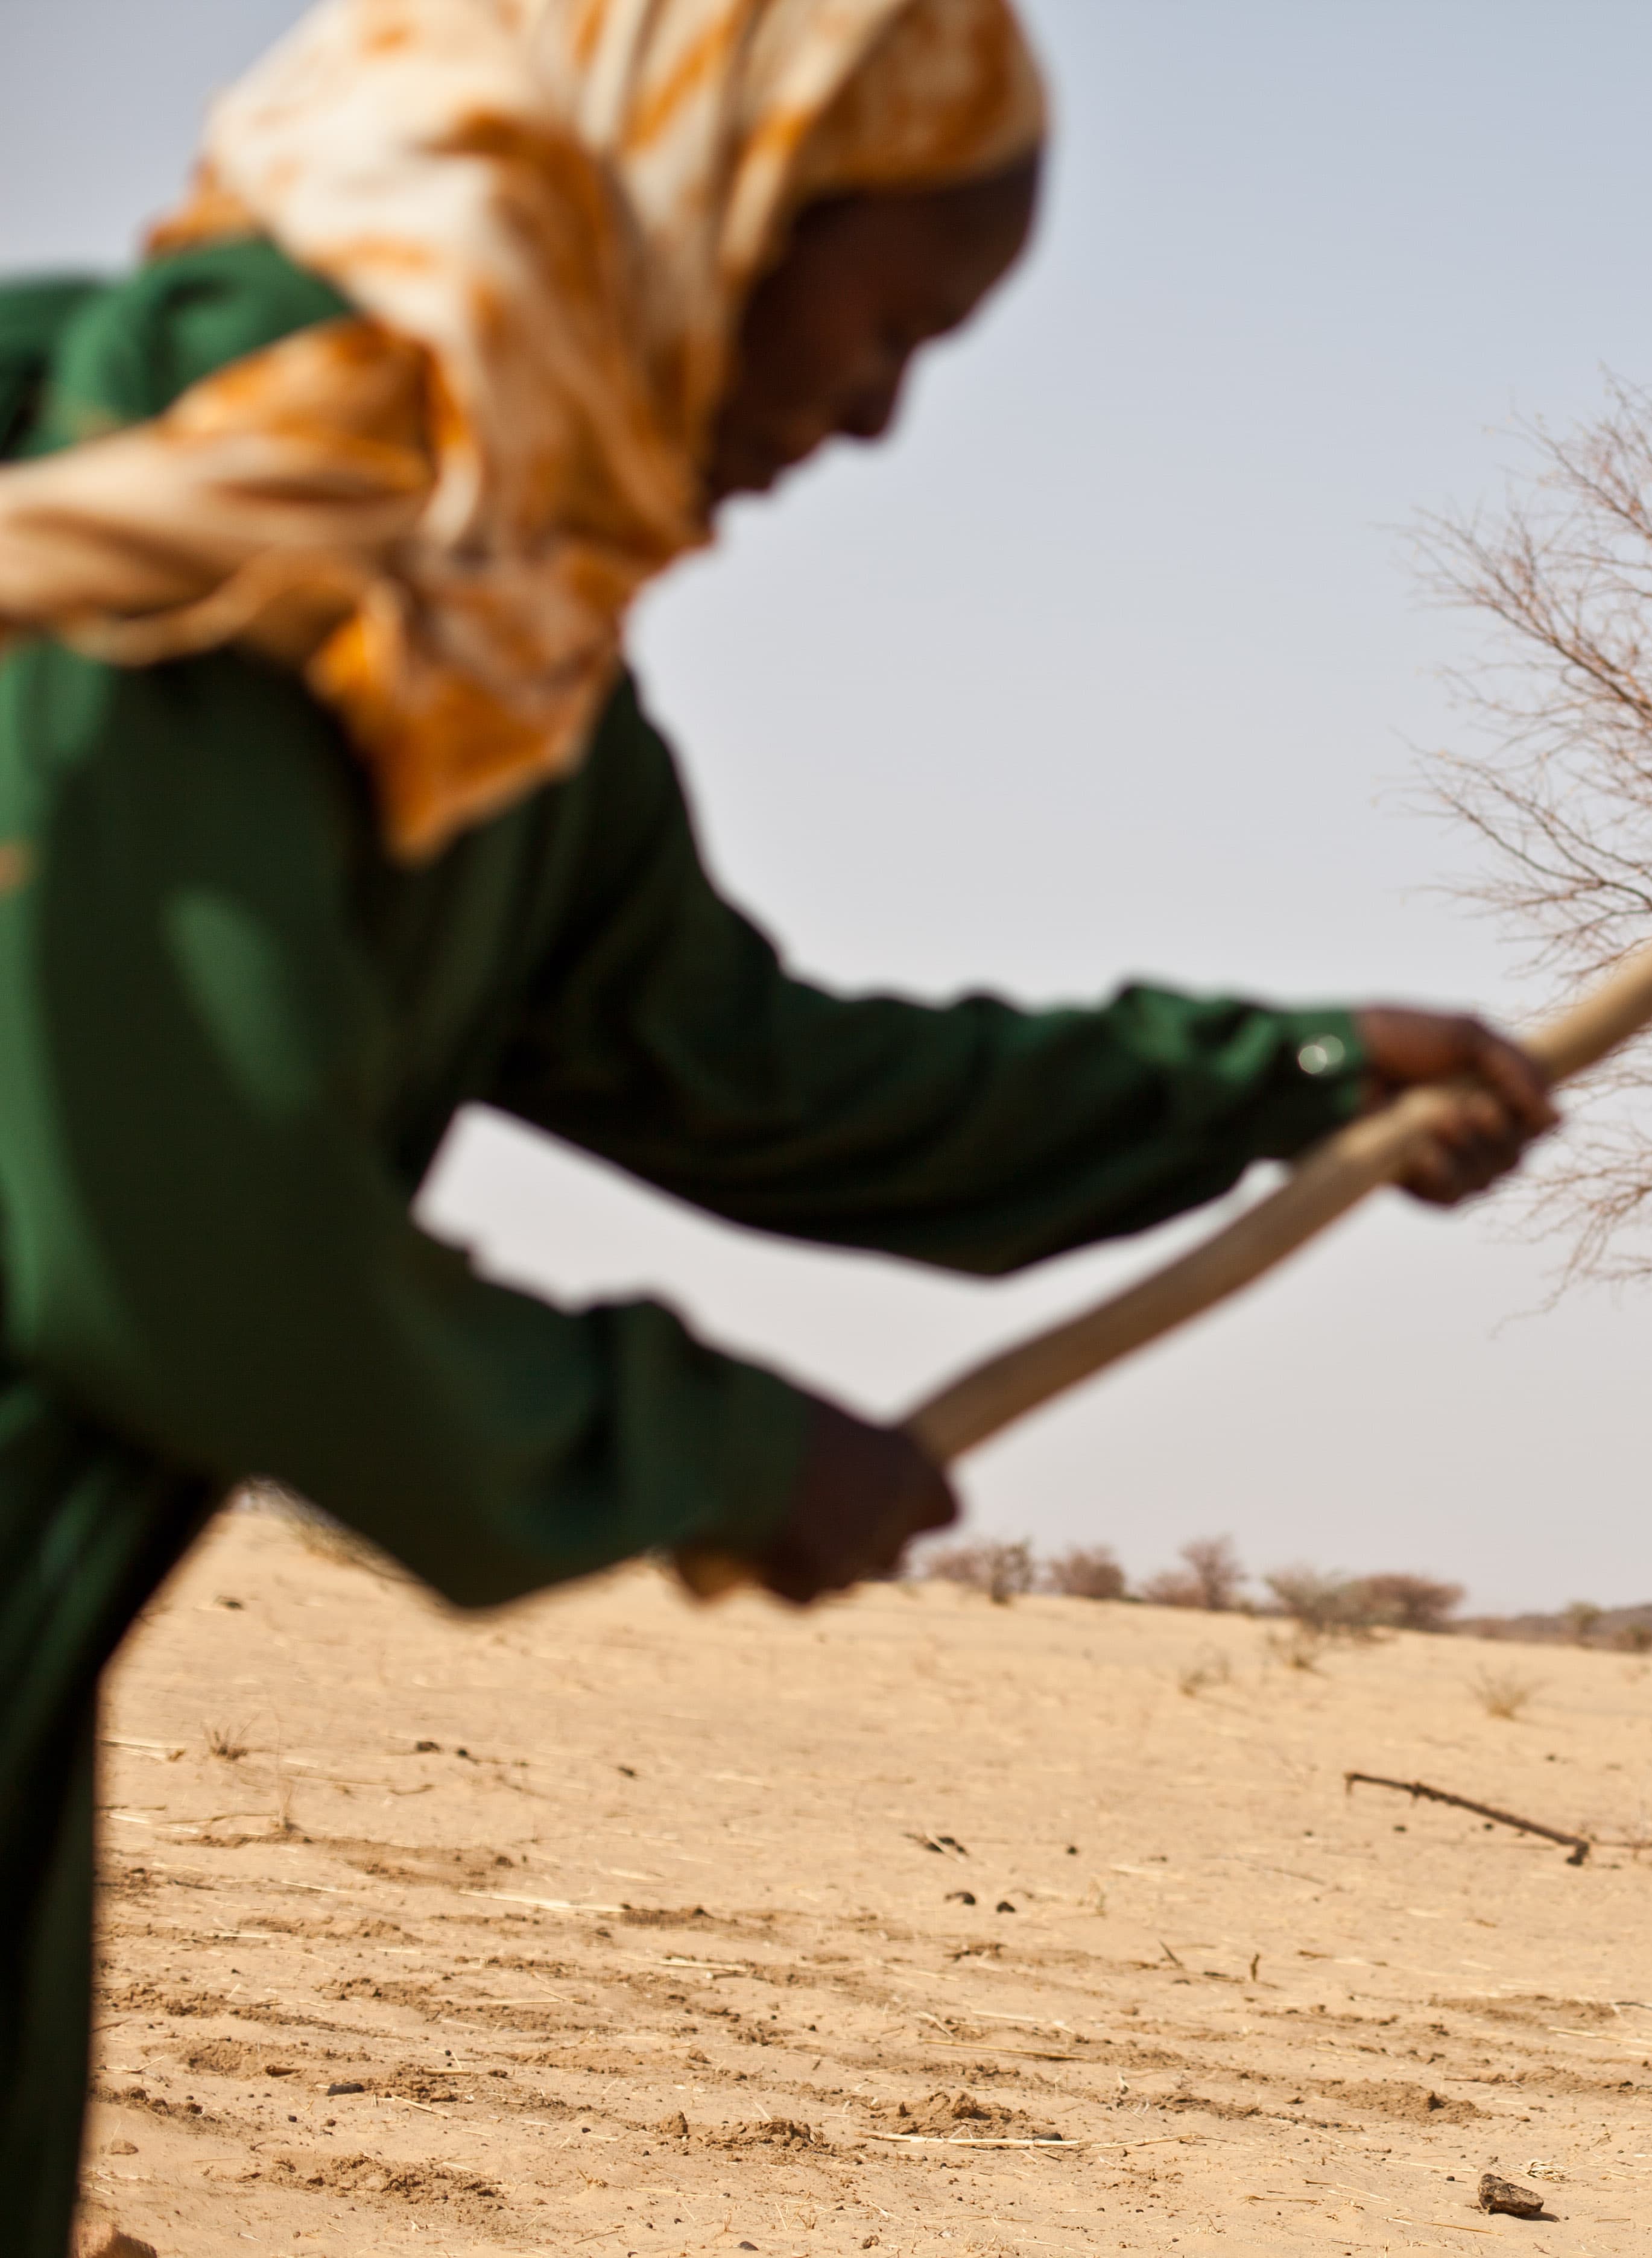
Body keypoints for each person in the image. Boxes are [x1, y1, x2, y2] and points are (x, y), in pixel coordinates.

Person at [0, 4, 1553, 2247]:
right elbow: (176, 1231)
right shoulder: (187, 472)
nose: (880, 416)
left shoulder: (498, 642)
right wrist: (712, 1445)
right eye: (893, 317)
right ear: (692, 204)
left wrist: (1291, 1081)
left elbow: (752, 1073)